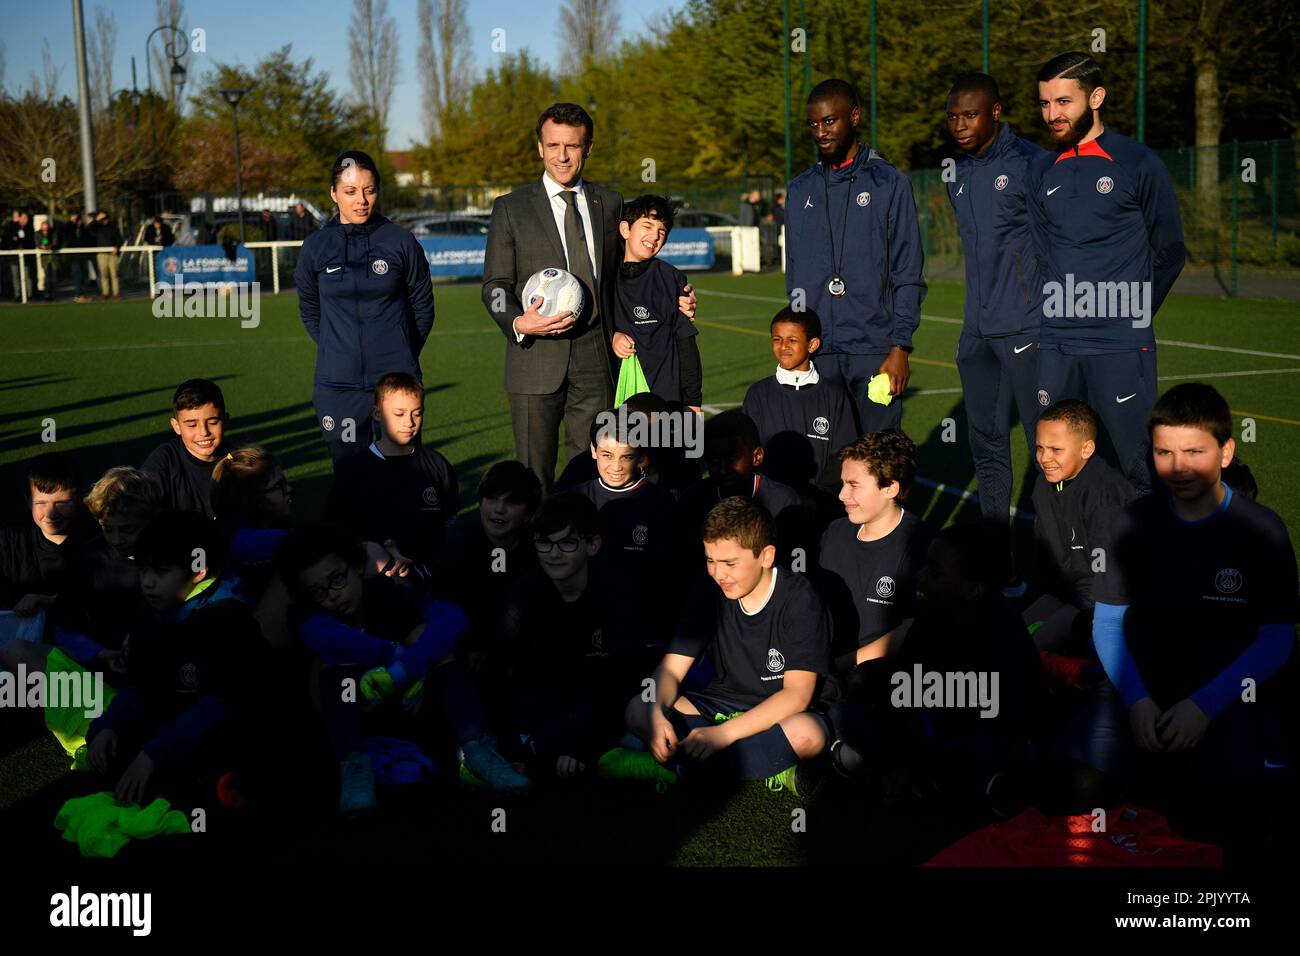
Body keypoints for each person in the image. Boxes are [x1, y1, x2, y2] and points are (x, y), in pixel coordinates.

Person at [1056, 384, 1296, 849]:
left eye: (1193, 451)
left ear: (1226, 452)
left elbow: (1276, 639)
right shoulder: (1132, 522)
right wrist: (1138, 701)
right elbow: (1108, 623)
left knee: (1238, 815)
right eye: (1164, 452)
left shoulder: (1262, 530)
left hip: (1228, 700)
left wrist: (1204, 706)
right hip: (1142, 694)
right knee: (1068, 788)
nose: (1178, 467)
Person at [482, 102, 697, 492]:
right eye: (553, 145)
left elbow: (629, 269)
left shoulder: (609, 203)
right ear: (540, 147)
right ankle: (541, 550)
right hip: (534, 358)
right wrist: (516, 320)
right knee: (535, 475)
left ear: (589, 148)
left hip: (597, 358)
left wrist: (677, 294)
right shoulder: (510, 208)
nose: (562, 156)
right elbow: (494, 287)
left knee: (592, 469)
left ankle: (588, 546)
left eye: (572, 146)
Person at [278, 524, 529, 810]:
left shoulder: (387, 595)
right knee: (335, 655)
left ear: (358, 567)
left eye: (337, 579)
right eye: (318, 592)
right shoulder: (307, 614)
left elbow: (452, 619)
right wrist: (391, 654)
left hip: (408, 705)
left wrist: (404, 669)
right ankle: (354, 767)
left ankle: (477, 749)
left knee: (426, 636)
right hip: (349, 716)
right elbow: (330, 637)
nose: (332, 595)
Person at [1029, 51, 1186, 494]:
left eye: (1063, 102)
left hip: (1119, 342)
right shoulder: (1040, 168)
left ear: (1095, 97)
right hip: (1058, 342)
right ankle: (1071, 562)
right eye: (1044, 104)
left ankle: (1141, 560)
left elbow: (1171, 251)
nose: (1052, 114)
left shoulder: (1137, 163)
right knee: (1055, 463)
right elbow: (1042, 254)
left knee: (1136, 462)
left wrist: (1133, 312)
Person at [610, 497, 833, 794]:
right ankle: (766, 766)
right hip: (721, 704)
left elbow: (796, 695)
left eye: (729, 563)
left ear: (765, 556)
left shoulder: (799, 599)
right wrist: (657, 714)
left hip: (780, 711)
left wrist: (723, 734)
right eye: (710, 560)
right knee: (639, 707)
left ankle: (678, 767)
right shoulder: (707, 590)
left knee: (809, 735)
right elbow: (671, 670)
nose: (718, 573)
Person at [828, 524, 1045, 818]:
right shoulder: (931, 618)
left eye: (935, 571)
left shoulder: (1003, 638)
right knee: (855, 694)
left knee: (970, 754)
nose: (921, 576)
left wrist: (911, 755)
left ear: (973, 590)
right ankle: (916, 777)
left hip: (981, 733)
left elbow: (1009, 722)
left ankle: (964, 785)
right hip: (935, 721)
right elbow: (905, 692)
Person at [84, 510, 277, 809]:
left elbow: (220, 704)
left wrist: (155, 754)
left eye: (159, 572)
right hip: (176, 726)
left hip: (232, 728)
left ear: (199, 571)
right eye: (144, 569)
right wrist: (110, 725)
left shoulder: (227, 619)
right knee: (116, 749)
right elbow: (138, 684)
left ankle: (227, 786)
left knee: (208, 765)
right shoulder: (155, 612)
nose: (147, 582)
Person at [945, 72, 1049, 591]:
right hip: (976, 334)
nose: (960, 125)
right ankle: (999, 563)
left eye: (970, 115)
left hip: (1027, 328)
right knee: (986, 447)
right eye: (953, 116)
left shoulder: (1033, 164)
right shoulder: (955, 174)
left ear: (997, 113)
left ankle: (1055, 567)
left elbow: (1057, 244)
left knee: (1045, 451)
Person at [785, 78, 927, 434]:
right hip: (818, 353)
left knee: (880, 459)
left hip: (875, 351)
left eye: (830, 121)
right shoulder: (800, 188)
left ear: (855, 117)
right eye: (813, 124)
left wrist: (900, 347)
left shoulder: (889, 182)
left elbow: (907, 271)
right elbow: (795, 274)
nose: (821, 132)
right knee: (823, 463)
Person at [295, 150, 435, 466]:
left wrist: (400, 352)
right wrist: (337, 348)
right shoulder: (315, 247)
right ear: (333, 193)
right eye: (350, 191)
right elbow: (310, 309)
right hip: (338, 386)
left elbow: (423, 307)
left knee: (402, 475)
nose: (361, 200)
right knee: (350, 479)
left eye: (369, 190)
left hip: (396, 381)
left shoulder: (401, 241)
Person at [497, 493, 647, 779]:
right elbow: (510, 673)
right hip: (546, 703)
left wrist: (581, 741)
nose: (554, 553)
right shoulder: (524, 595)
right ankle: (576, 752)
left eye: (567, 543)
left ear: (592, 545)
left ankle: (558, 751)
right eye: (545, 543)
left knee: (636, 711)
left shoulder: (615, 591)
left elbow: (624, 676)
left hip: (599, 700)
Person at [815, 430, 936, 673]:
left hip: (884, 678)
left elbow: (915, 628)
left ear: (890, 488)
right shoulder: (835, 532)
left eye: (853, 485)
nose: (841, 495)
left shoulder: (922, 544)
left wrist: (845, 664)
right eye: (842, 483)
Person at [1025, 400, 1135, 655]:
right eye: (1040, 448)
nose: (1044, 458)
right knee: (1006, 636)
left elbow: (1108, 576)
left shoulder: (1105, 494)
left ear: (1086, 449)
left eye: (1055, 449)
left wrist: (1084, 614)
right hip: (1065, 591)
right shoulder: (1044, 484)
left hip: (1102, 601)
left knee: (1027, 653)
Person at [325, 371, 459, 573]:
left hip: (433, 576)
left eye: (417, 413)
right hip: (378, 581)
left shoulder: (437, 464)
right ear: (377, 413)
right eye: (399, 414)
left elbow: (449, 519)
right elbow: (336, 531)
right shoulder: (353, 470)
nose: (409, 422)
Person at [742, 306, 858, 496]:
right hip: (768, 504)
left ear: (812, 345)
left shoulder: (834, 396)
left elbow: (844, 454)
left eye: (792, 340)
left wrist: (819, 497)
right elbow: (747, 451)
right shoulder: (758, 394)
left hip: (819, 506)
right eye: (777, 340)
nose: (783, 346)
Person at [609, 195, 702, 411]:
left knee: (665, 444)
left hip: (665, 396)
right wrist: (612, 336)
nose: (655, 236)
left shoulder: (671, 278)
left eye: (662, 231)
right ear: (625, 230)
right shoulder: (604, 276)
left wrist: (693, 401)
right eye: (647, 226)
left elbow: (686, 342)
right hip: (616, 392)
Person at [0, 453, 99, 620]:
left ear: (79, 499)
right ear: (27, 501)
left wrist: (48, 602)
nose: (50, 514)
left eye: (61, 503)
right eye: (40, 503)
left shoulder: (98, 539)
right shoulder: (10, 542)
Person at [141, 378, 231, 517]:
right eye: (191, 425)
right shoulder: (163, 463)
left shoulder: (243, 460)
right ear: (176, 426)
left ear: (225, 421)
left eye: (213, 422)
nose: (204, 432)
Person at [2, 209, 35, 303]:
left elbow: (29, 241)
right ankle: (18, 295)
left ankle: (29, 295)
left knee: (27, 275)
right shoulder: (11, 227)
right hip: (14, 257)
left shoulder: (29, 228)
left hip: (26, 256)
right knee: (16, 276)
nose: (25, 220)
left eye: (26, 218)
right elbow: (8, 240)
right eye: (23, 217)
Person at [90, 210, 123, 300]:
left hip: (113, 254)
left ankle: (116, 293)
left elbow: (119, 239)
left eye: (105, 218)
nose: (104, 220)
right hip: (102, 254)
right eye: (102, 218)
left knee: (114, 274)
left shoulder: (113, 226)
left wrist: (117, 247)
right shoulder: (97, 227)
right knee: (104, 275)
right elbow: (89, 228)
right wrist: (97, 219)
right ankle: (105, 293)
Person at [34, 218, 61, 301]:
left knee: (54, 276)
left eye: (46, 226)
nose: (45, 227)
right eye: (44, 226)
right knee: (47, 277)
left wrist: (50, 247)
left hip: (53, 257)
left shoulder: (53, 232)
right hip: (45, 258)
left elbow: (56, 243)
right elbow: (38, 243)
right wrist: (42, 247)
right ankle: (47, 294)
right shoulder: (38, 233)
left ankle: (54, 294)